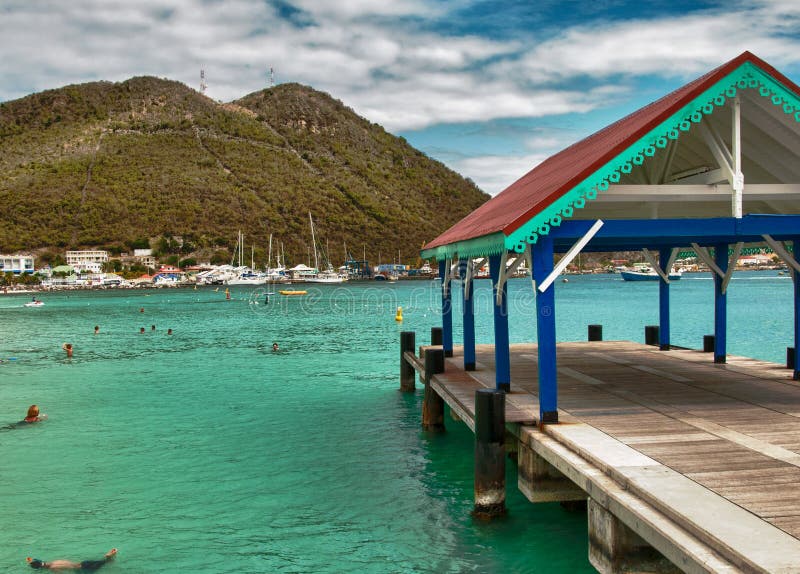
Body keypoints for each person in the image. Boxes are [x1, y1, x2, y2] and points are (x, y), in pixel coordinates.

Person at [27, 548, 117, 570]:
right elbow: (38, 561)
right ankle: (107, 556)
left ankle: (108, 557)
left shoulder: (53, 568)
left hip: (83, 569)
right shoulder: (55, 561)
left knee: (105, 563)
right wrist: (31, 560)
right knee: (102, 562)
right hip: (83, 563)